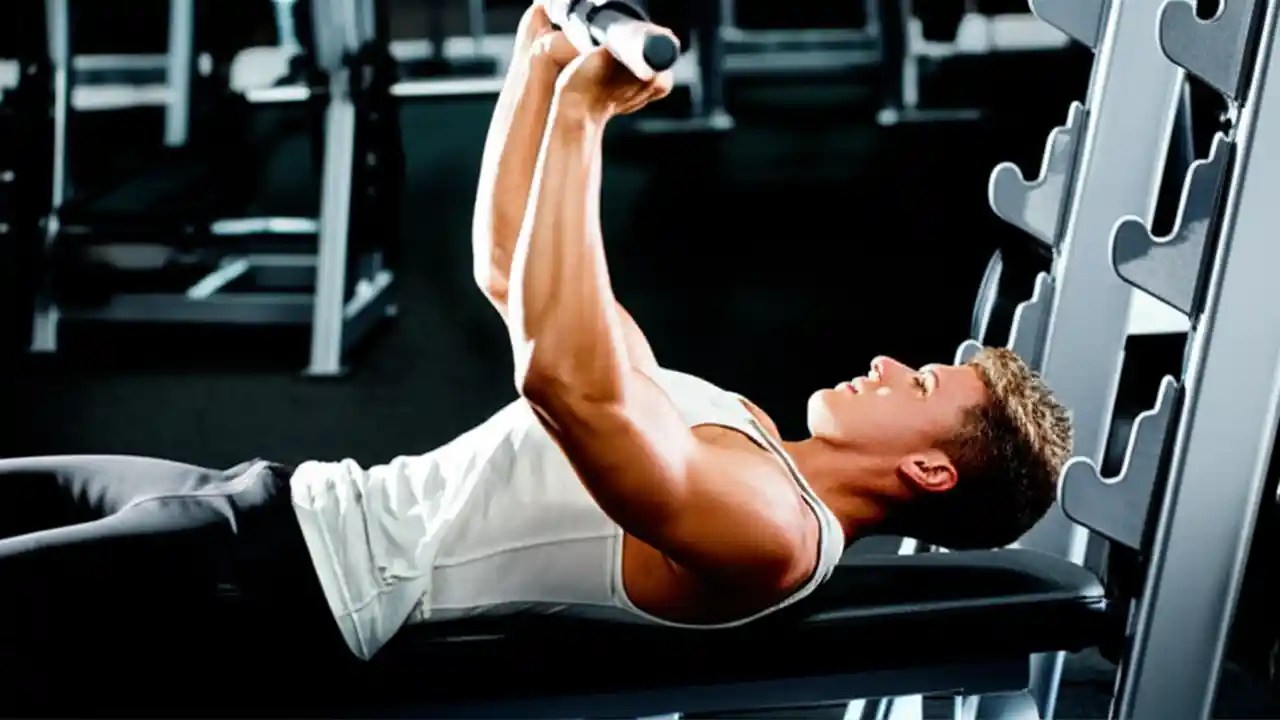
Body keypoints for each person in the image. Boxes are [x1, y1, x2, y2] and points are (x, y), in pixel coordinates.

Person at [0, 1, 1073, 679]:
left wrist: (580, 118)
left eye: (922, 380)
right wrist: (536, 60)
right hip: (269, 502)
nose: (889, 363)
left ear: (929, 466)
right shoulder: (742, 430)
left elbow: (563, 381)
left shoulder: (772, 536)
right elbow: (517, 278)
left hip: (282, 581)